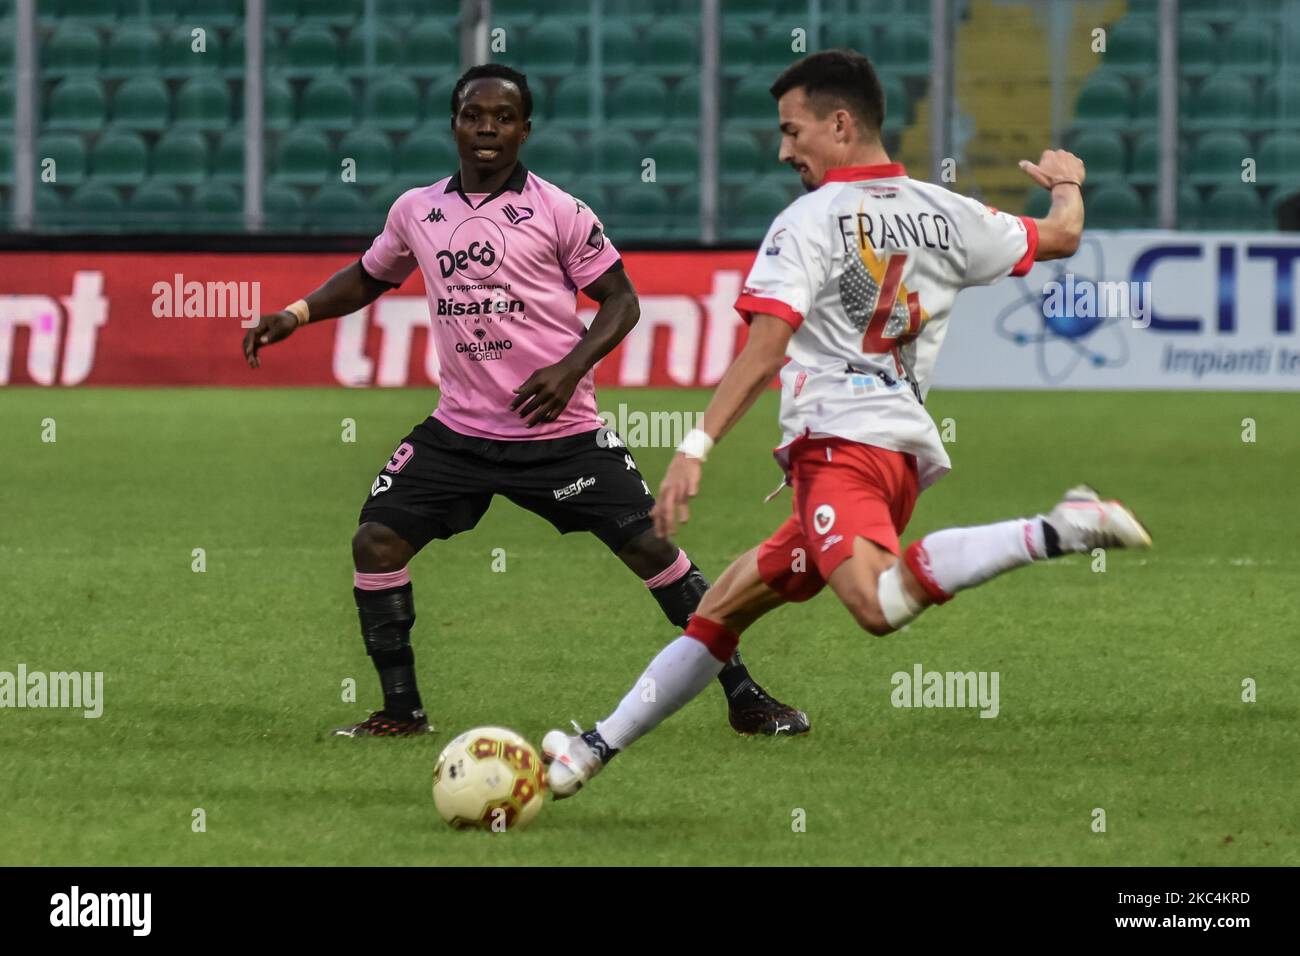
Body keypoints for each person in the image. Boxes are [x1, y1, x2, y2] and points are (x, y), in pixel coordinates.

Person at [540, 49, 1151, 796]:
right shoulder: (948, 210)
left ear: (840, 122)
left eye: (793, 131)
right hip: (886, 459)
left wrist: (695, 447)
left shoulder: (809, 221)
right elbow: (1060, 237)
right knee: (719, 611)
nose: (783, 149)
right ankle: (586, 754)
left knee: (878, 603)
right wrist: (1066, 184)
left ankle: (1061, 526)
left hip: (844, 450)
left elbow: (765, 350)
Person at [241, 64, 808, 738]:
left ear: (524, 130)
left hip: (559, 434)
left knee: (653, 551)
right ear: (454, 123)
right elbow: (370, 276)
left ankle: (746, 696)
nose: (488, 128)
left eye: (503, 117)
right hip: (459, 434)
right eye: (474, 115)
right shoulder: (417, 210)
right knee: (376, 542)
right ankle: (402, 711)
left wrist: (570, 368)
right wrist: (297, 313)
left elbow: (621, 302)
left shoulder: (559, 211)